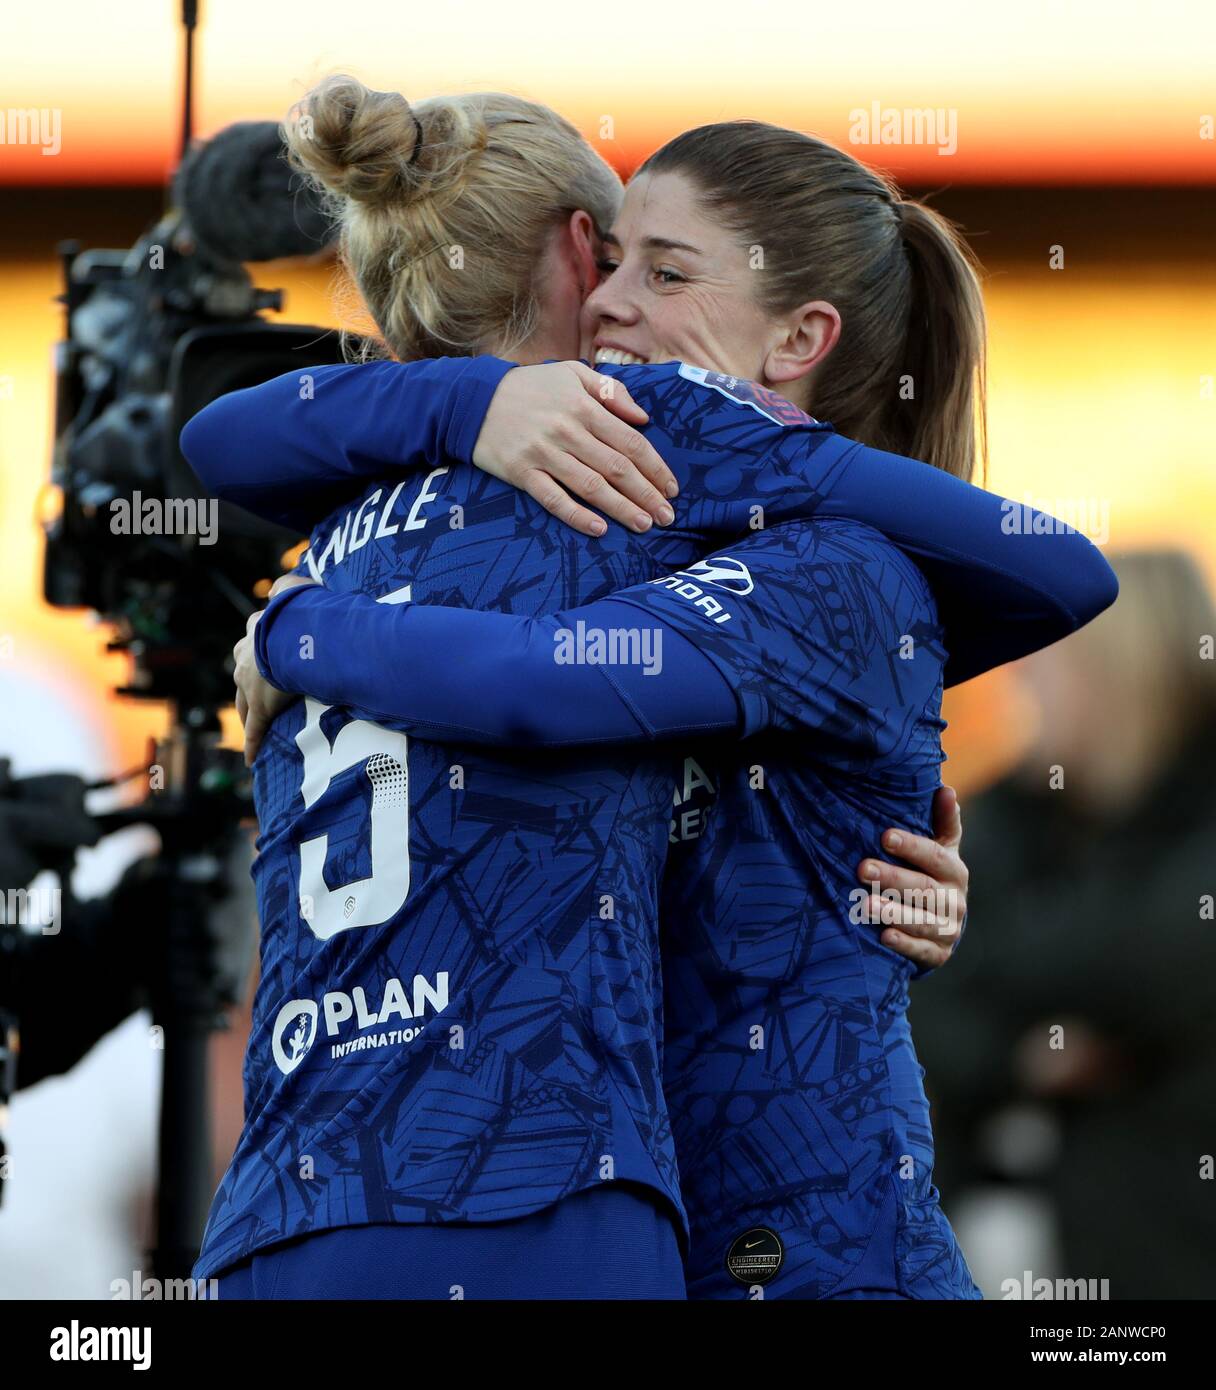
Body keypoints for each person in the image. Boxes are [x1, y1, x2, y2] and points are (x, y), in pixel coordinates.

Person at [185, 78, 1116, 1299]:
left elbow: (538, 682)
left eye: (667, 275)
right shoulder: (608, 503)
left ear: (800, 342)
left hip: (805, 1253)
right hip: (627, 1211)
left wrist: (301, 629)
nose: (619, 304)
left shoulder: (754, 512)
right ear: (576, 249)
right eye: (616, 262)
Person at [911, 550, 1216, 1298]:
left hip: (1161, 1249)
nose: (1019, 680)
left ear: (1120, 674)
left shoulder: (1196, 796)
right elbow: (920, 996)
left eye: (1047, 660)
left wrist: (990, 957)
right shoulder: (1017, 813)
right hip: (988, 1230)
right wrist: (1021, 1060)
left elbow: (1161, 959)